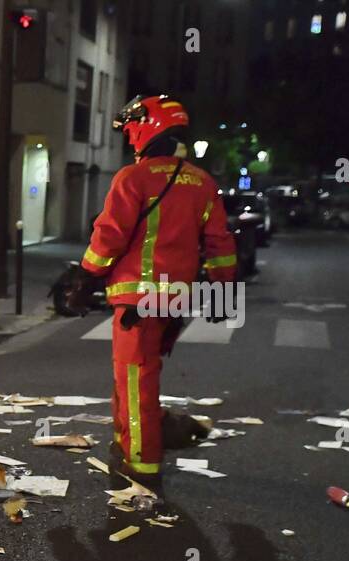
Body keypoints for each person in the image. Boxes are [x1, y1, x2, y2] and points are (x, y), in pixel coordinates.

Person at [75, 94, 238, 484]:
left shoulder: (134, 178)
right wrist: (222, 294)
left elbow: (109, 236)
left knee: (136, 382)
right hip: (174, 302)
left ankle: (140, 464)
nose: (130, 136)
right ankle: (125, 442)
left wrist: (86, 275)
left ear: (149, 128)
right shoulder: (202, 181)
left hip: (138, 301)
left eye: (133, 128)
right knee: (134, 376)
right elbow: (220, 243)